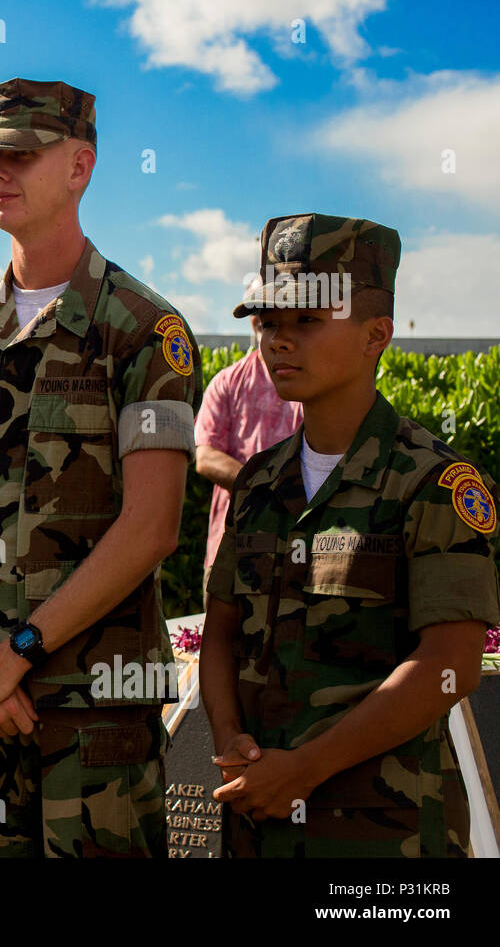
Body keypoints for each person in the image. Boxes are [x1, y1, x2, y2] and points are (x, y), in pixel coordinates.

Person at [0, 78, 201, 857]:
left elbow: (152, 526)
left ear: (80, 165)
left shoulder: (141, 329)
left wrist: (18, 655)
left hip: (92, 707)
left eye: (20, 154)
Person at [200, 213, 498, 857]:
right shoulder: (257, 483)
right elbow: (220, 632)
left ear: (376, 336)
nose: (277, 341)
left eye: (306, 322)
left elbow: (452, 664)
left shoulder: (433, 484)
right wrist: (227, 738)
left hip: (381, 836)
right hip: (258, 823)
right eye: (268, 322)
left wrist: (305, 768)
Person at [194, 314, 301, 604]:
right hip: (229, 547)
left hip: (293, 552)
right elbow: (204, 456)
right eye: (267, 323)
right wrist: (265, 487)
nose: (277, 335)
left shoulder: (309, 385)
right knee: (218, 642)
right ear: (255, 325)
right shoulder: (228, 382)